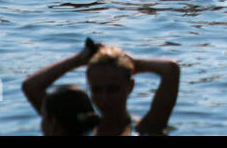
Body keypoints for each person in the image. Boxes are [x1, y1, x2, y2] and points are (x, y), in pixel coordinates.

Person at [23, 38, 180, 136]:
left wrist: (132, 63)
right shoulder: (74, 128)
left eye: (113, 89)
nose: (105, 98)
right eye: (97, 90)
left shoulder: (147, 128)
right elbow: (31, 87)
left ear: (130, 87)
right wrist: (78, 59)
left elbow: (171, 70)